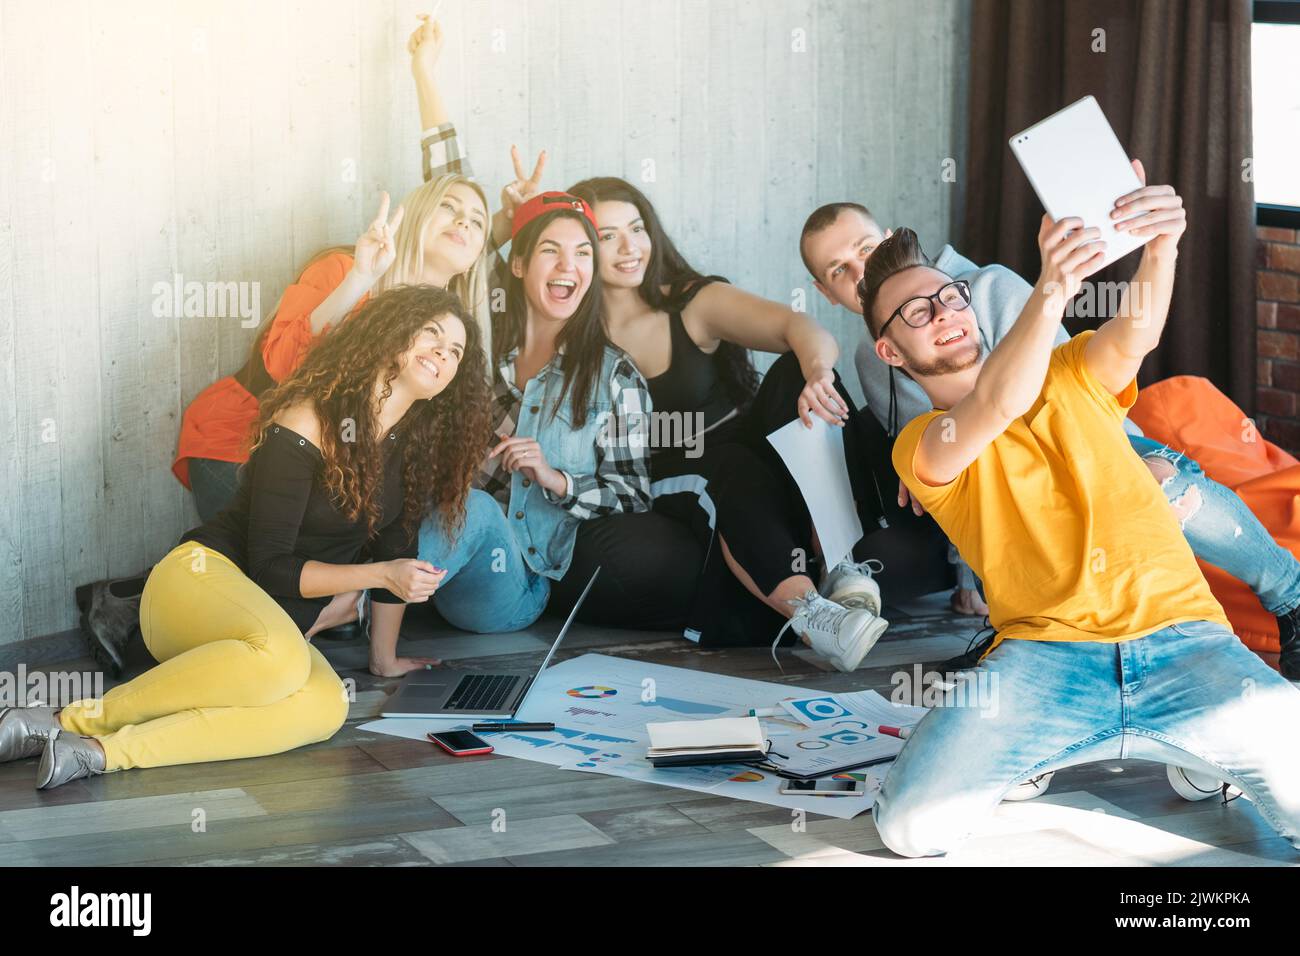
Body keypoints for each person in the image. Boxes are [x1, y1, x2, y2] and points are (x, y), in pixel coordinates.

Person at [862, 168, 1300, 858]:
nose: (944, 312)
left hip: (1184, 639)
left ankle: (1188, 749)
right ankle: (1067, 747)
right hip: (1045, 658)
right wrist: (1051, 286)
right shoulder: (922, 443)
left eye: (949, 296)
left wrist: (1163, 246)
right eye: (917, 312)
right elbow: (995, 403)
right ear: (889, 352)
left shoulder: (1069, 368)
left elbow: (1136, 332)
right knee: (910, 827)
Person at [1, 286, 491, 789]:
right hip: (193, 585)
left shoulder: (411, 454)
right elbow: (272, 567)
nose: (442, 352)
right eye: (432, 333)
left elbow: (397, 551)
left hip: (270, 632)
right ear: (391, 335)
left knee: (326, 705)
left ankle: (99, 752)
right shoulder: (307, 420)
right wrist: (378, 575)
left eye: (455, 351)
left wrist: (383, 659)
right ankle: (62, 721)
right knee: (281, 660)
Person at [800, 199, 1300, 672]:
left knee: (1164, 485)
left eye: (866, 249)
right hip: (1003, 483)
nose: (859, 271)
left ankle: (1290, 594)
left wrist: (1159, 249)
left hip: (1091, 439)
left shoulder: (988, 288)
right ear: (825, 292)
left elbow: (1075, 388)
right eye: (838, 270)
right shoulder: (873, 361)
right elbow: (946, 474)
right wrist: (967, 572)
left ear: (888, 239)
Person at [563, 177, 931, 659]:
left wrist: (818, 373)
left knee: (793, 371)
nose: (630, 247)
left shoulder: (691, 300)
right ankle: (813, 617)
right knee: (730, 464)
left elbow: (799, 327)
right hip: (674, 468)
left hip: (748, 449)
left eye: (636, 228)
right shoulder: (572, 331)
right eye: (607, 236)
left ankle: (842, 566)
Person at [414, 191, 655, 633]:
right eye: (551, 250)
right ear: (519, 265)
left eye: (582, 253)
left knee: (477, 508)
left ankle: (359, 602)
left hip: (512, 586)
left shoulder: (616, 377)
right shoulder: (477, 349)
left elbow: (634, 495)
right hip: (434, 557)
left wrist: (555, 479)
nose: (568, 265)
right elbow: (460, 258)